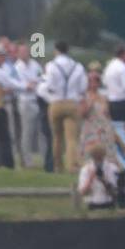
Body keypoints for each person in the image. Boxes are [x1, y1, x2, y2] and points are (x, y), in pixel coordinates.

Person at [44, 41, 86, 171]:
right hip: (72, 102)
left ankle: (58, 165)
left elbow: (49, 86)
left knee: (57, 136)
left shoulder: (51, 65)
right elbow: (83, 87)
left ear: (56, 50)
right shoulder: (78, 66)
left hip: (56, 102)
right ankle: (72, 165)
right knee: (72, 138)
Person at [77, 68, 117, 161]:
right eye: (90, 81)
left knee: (107, 151)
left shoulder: (103, 97)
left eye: (96, 81)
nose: (93, 84)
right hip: (91, 128)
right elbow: (82, 114)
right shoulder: (84, 97)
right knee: (90, 151)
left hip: (104, 128)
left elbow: (108, 114)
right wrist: (90, 102)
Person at [0, 44, 17, 167]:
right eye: (1, 56)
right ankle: (7, 163)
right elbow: (11, 85)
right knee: (4, 138)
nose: (3, 59)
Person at [77, 143, 121, 209]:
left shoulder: (112, 168)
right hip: (92, 204)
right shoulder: (86, 169)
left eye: (100, 158)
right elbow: (82, 192)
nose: (98, 161)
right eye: (95, 157)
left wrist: (104, 180)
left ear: (103, 156)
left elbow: (115, 192)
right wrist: (90, 179)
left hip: (109, 203)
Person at [103, 45, 125, 122]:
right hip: (123, 102)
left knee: (116, 127)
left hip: (112, 102)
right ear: (123, 55)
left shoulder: (110, 66)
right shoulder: (123, 68)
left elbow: (105, 82)